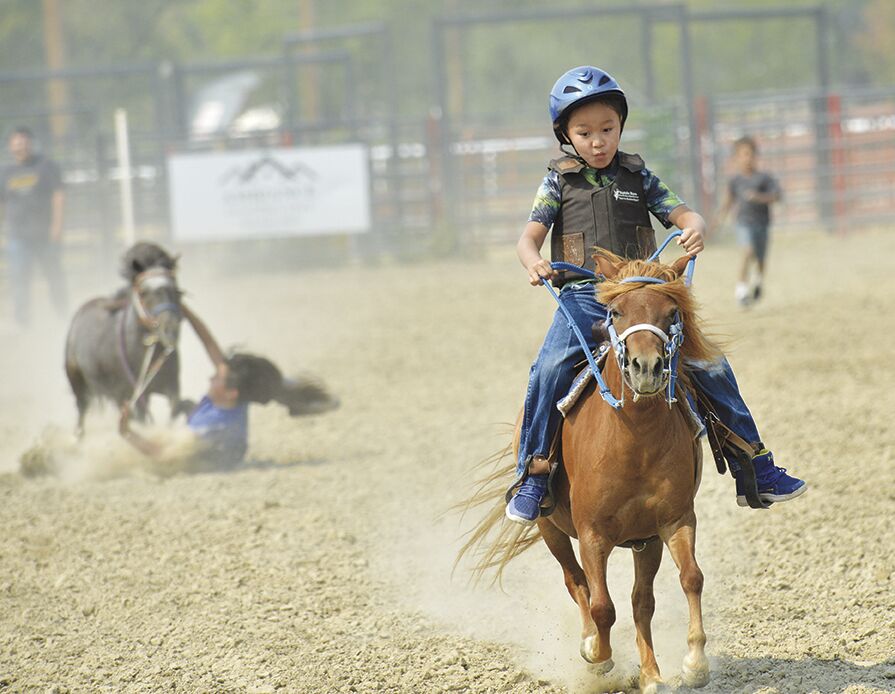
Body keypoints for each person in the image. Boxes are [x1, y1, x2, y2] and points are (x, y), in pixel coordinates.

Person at [505, 66, 806, 524]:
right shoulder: (556, 183)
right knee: (547, 368)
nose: (598, 141)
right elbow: (529, 238)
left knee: (710, 364)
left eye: (607, 129)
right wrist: (534, 261)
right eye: (585, 132)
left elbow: (684, 215)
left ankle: (755, 464)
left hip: (645, 294)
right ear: (566, 134)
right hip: (585, 297)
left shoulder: (639, 175)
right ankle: (535, 474)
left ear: (620, 127)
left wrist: (695, 229)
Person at [119, 305, 336, 469]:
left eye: (216, 378)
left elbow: (162, 455)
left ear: (231, 393)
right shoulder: (237, 392)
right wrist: (183, 308)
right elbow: (209, 343)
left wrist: (126, 432)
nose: (210, 377)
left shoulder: (212, 426)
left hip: (204, 460)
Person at [0, 126, 67, 327]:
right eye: (16, 143)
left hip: (44, 234)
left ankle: (63, 315)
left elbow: (58, 196)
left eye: (24, 142)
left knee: (54, 275)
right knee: (19, 279)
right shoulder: (6, 172)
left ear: (31, 143)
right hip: (18, 236)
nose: (21, 147)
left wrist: (57, 226)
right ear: (11, 147)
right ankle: (23, 323)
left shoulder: (46, 166)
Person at [716, 135, 781, 306]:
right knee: (747, 251)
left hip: (762, 223)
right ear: (736, 158)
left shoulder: (764, 178)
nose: (747, 158)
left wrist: (758, 197)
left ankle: (758, 282)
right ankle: (742, 290)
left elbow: (776, 196)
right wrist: (718, 219)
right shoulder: (735, 180)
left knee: (760, 258)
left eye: (750, 154)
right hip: (743, 223)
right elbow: (728, 201)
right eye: (743, 154)